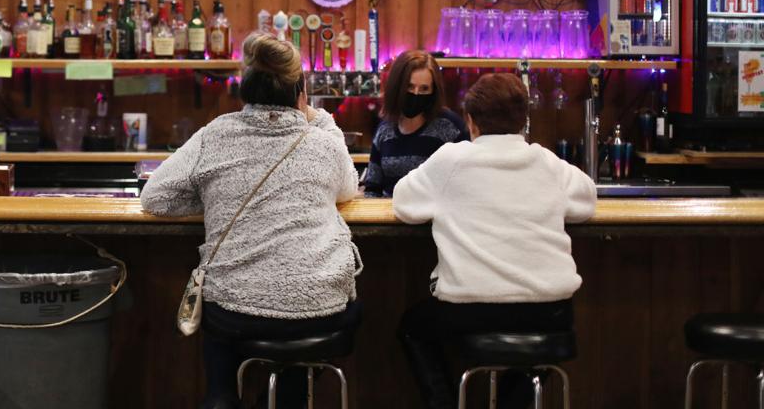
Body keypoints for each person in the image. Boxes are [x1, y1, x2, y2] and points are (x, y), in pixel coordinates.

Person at [140, 32, 361, 409]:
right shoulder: (322, 142)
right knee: (342, 312)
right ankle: (288, 395)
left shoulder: (216, 134)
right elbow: (348, 191)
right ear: (299, 92)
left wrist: (212, 195)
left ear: (245, 87)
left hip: (233, 311)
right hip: (319, 311)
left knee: (222, 319)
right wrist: (320, 118)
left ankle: (221, 396)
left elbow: (155, 197)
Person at [393, 73, 597, 409]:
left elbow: (403, 204)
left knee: (413, 327)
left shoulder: (451, 160)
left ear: (470, 122)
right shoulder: (545, 161)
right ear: (523, 121)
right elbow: (587, 200)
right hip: (551, 312)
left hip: (470, 311)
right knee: (536, 346)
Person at [361, 50, 468, 198]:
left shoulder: (450, 127)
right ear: (397, 87)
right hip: (387, 216)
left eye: (424, 89)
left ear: (433, 91)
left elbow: (465, 184)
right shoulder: (385, 129)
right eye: (410, 87)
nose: (416, 94)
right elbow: (373, 188)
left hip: (434, 219)